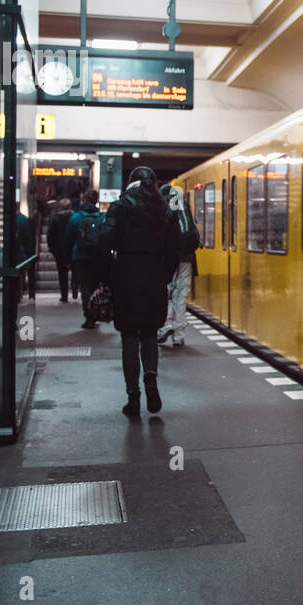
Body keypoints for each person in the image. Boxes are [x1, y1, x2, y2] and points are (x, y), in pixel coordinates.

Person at [101, 166, 178, 419]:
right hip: (154, 275)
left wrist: (108, 275)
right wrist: (165, 275)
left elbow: (105, 241)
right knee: (149, 333)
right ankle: (151, 379)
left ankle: (133, 397)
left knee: (129, 338)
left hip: (126, 275)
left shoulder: (119, 206)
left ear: (130, 183)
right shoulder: (163, 209)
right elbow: (174, 247)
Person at [158, 183, 199, 347]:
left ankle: (166, 324)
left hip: (170, 256)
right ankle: (179, 335)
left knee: (167, 291)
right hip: (187, 256)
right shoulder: (184, 205)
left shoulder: (164, 205)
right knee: (181, 294)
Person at [64, 189, 105, 329]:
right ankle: (96, 314)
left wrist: (67, 259)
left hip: (80, 257)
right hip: (98, 257)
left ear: (84, 200)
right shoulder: (101, 217)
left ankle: (89, 317)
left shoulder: (76, 217)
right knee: (95, 287)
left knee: (85, 287)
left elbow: (68, 239)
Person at [46, 198, 74, 302]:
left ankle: (64, 295)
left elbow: (50, 235)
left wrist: (52, 249)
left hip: (59, 250)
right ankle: (75, 289)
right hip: (72, 248)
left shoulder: (55, 219)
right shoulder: (75, 217)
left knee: (62, 274)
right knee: (75, 270)